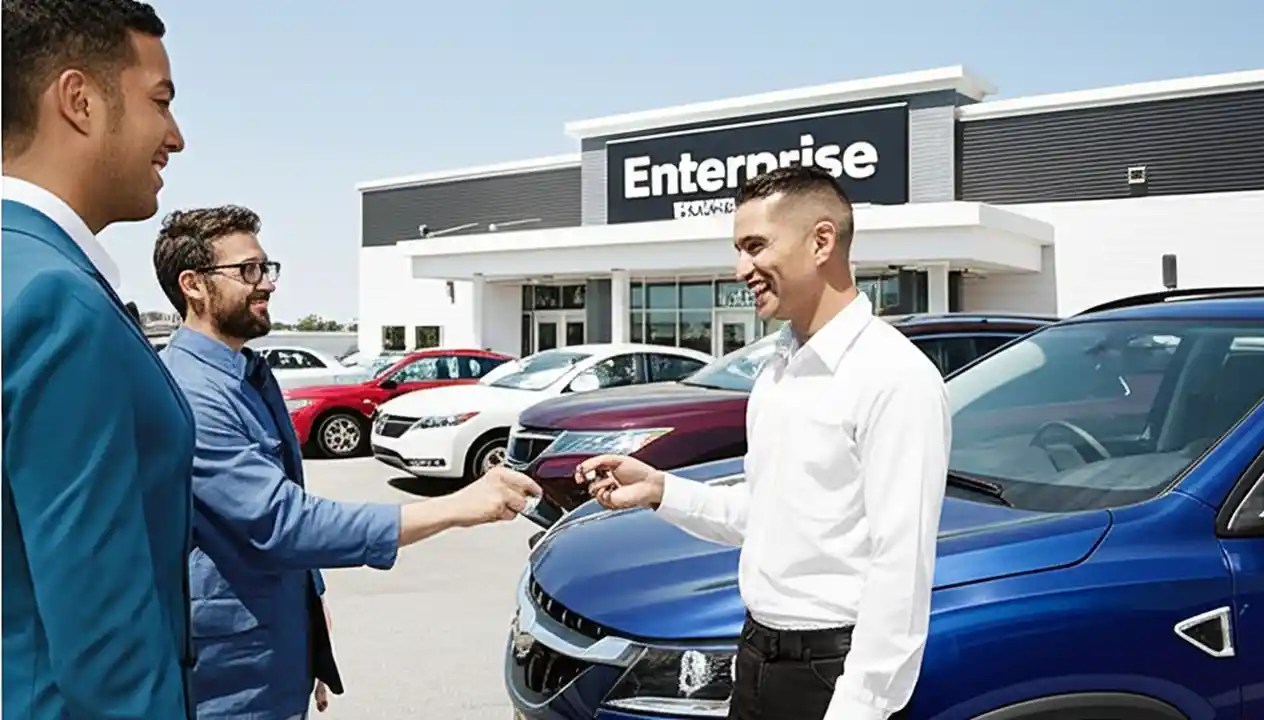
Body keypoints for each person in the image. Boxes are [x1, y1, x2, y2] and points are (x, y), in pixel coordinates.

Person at [576, 166, 951, 720]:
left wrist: (859, 707)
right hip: (755, 655)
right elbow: (766, 514)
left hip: (831, 675)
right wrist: (659, 490)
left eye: (756, 246)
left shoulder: (894, 377)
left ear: (822, 241)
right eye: (738, 249)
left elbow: (901, 570)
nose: (741, 269)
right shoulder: (778, 371)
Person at [152, 205, 543, 720]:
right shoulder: (192, 392)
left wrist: (311, 618)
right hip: (230, 681)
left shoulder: (245, 373)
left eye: (267, 269)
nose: (266, 283)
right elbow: (283, 523)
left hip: (277, 657)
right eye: (248, 270)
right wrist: (456, 506)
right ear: (193, 285)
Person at [1, 1, 193, 718]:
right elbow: (106, 655)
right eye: (160, 102)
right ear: (79, 101)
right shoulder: (59, 302)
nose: (175, 136)